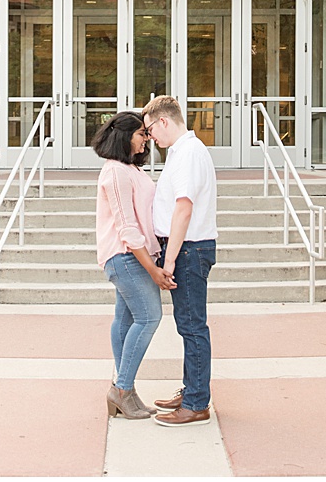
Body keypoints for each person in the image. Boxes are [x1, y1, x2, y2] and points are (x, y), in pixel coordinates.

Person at [142, 94, 219, 428]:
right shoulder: (183, 151)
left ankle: (196, 403)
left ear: (164, 121)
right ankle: (192, 390)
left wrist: (169, 259)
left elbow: (184, 208)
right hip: (186, 249)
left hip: (188, 250)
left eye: (150, 130)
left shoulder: (187, 153)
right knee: (189, 326)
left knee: (191, 327)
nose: (149, 138)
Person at [93, 110, 174, 421]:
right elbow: (126, 227)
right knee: (150, 317)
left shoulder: (131, 170)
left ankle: (126, 389)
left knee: (125, 321)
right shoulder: (115, 172)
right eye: (141, 133)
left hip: (135, 256)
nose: (147, 138)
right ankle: (122, 389)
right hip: (125, 256)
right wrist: (153, 269)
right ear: (124, 136)